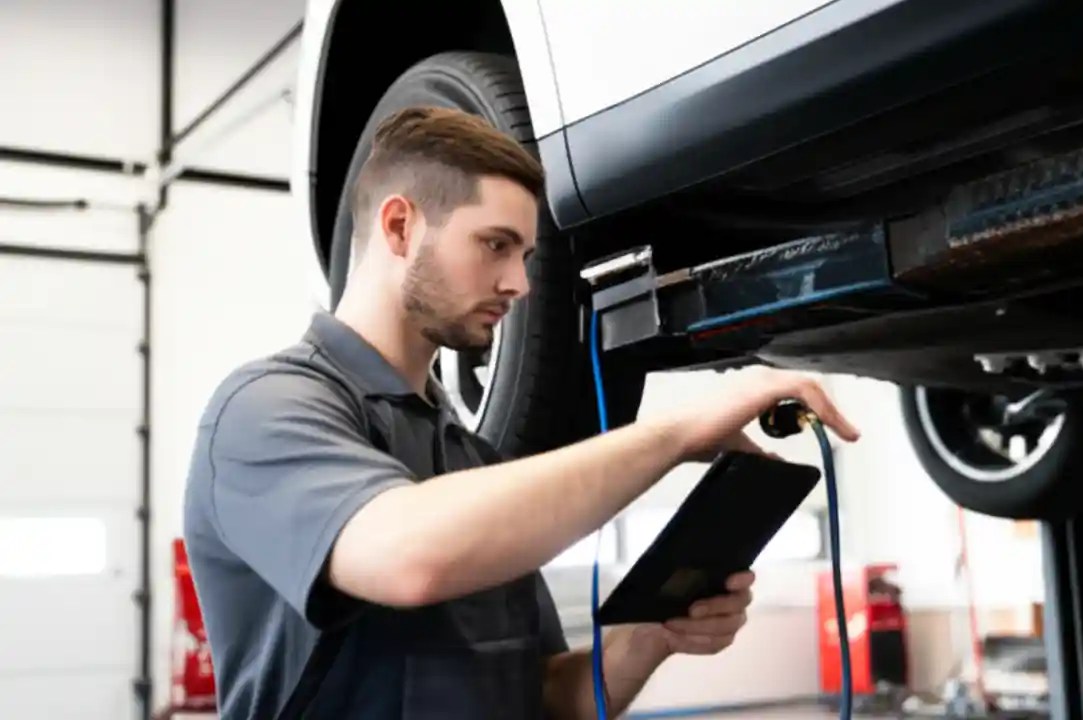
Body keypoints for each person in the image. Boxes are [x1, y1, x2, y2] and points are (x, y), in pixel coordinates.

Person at [181, 106, 860, 720]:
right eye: (495, 244)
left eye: (525, 255)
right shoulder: (264, 412)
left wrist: (653, 634)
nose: (520, 284)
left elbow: (546, 696)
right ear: (399, 226)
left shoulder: (471, 460)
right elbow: (410, 557)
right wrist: (675, 434)